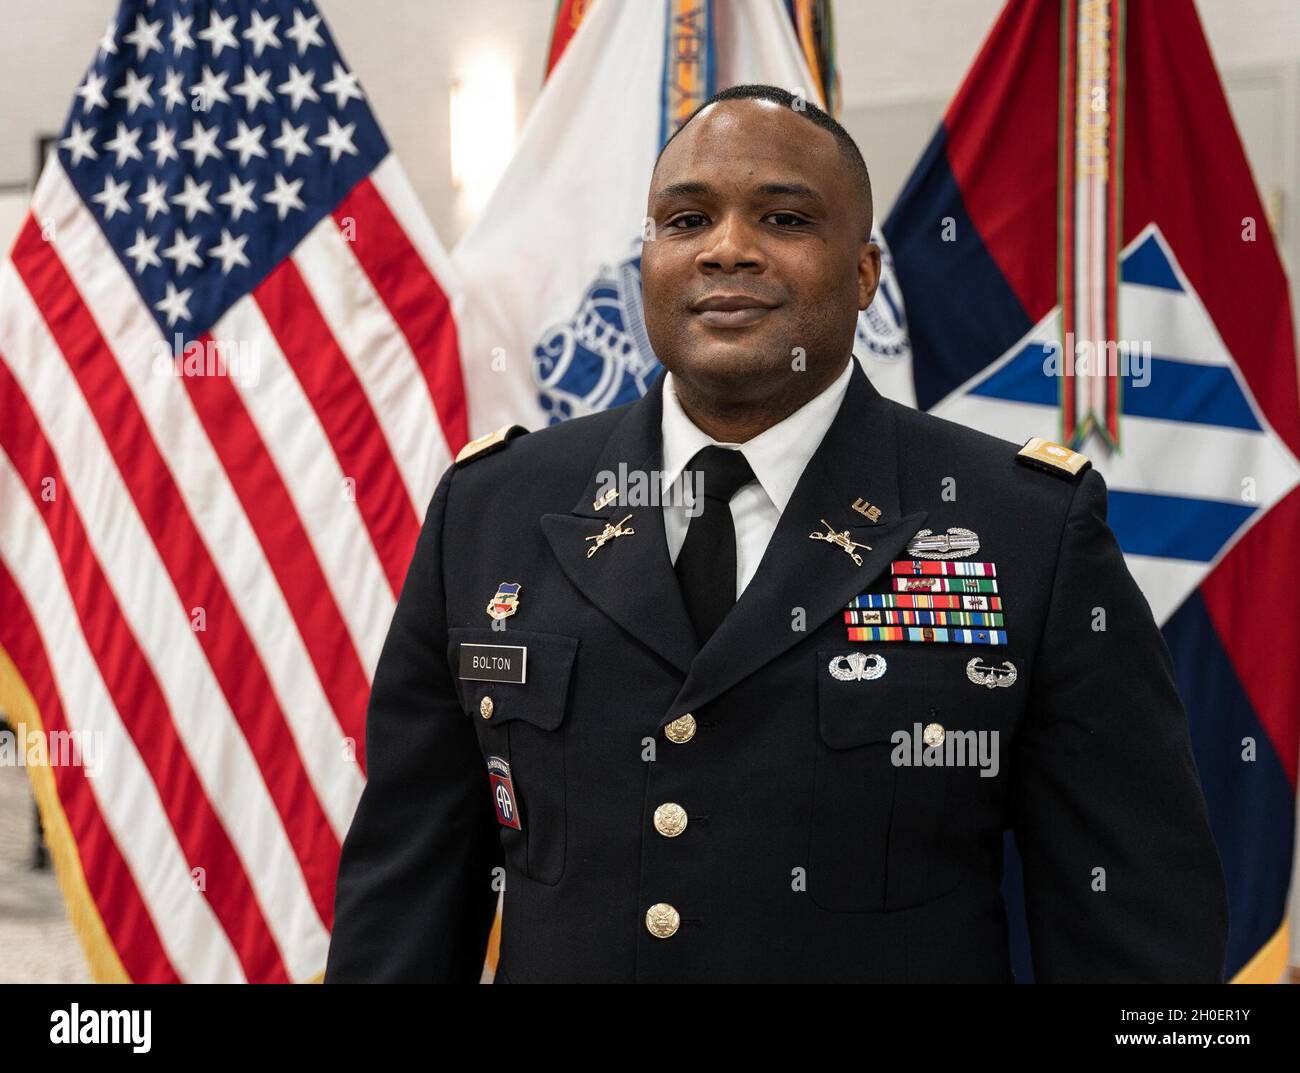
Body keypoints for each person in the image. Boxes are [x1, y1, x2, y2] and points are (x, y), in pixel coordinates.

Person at [324, 84, 1228, 983]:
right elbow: (407, 897)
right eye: (685, 221)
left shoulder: (1023, 526)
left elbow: (1138, 933)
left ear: (865, 271)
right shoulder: (496, 508)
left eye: (784, 218)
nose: (727, 250)